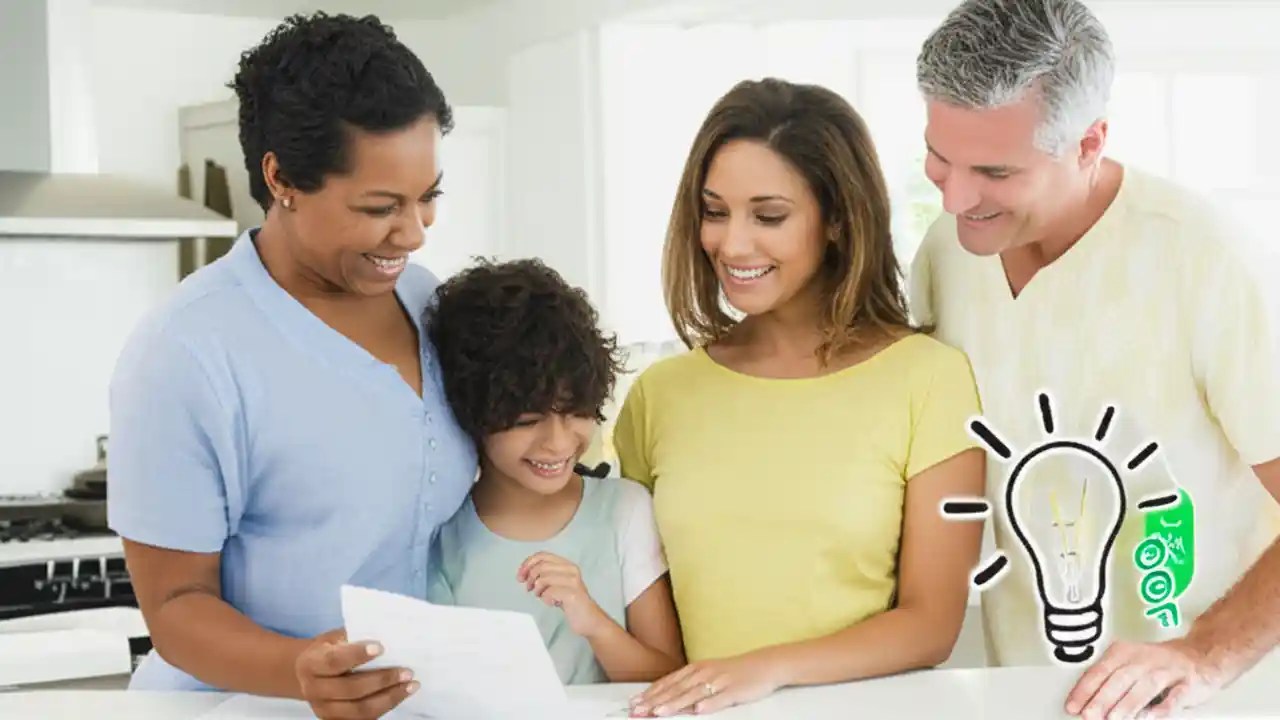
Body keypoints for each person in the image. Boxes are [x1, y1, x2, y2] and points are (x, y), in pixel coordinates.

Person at [910, 1, 1280, 717]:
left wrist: (1203, 654)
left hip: (1202, 701)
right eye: (938, 157)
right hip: (1020, 696)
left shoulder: (1205, 258)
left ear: (1089, 143)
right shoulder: (943, 254)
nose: (955, 197)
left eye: (993, 169)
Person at [106, 12, 478, 719]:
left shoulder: (433, 306)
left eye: (428, 197)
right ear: (282, 178)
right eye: (380, 206)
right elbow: (176, 606)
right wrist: (298, 670)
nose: (415, 231)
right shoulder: (185, 352)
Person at [615, 78, 987, 717]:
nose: (731, 244)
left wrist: (763, 671)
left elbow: (931, 624)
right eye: (714, 211)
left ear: (838, 219)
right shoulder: (661, 396)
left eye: (769, 216)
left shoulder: (928, 380)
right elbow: (643, 627)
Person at [422, 258, 685, 685]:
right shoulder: (442, 534)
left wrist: (592, 621)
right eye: (527, 421)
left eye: (576, 412)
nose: (559, 443)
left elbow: (667, 675)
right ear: (471, 414)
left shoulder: (624, 510)